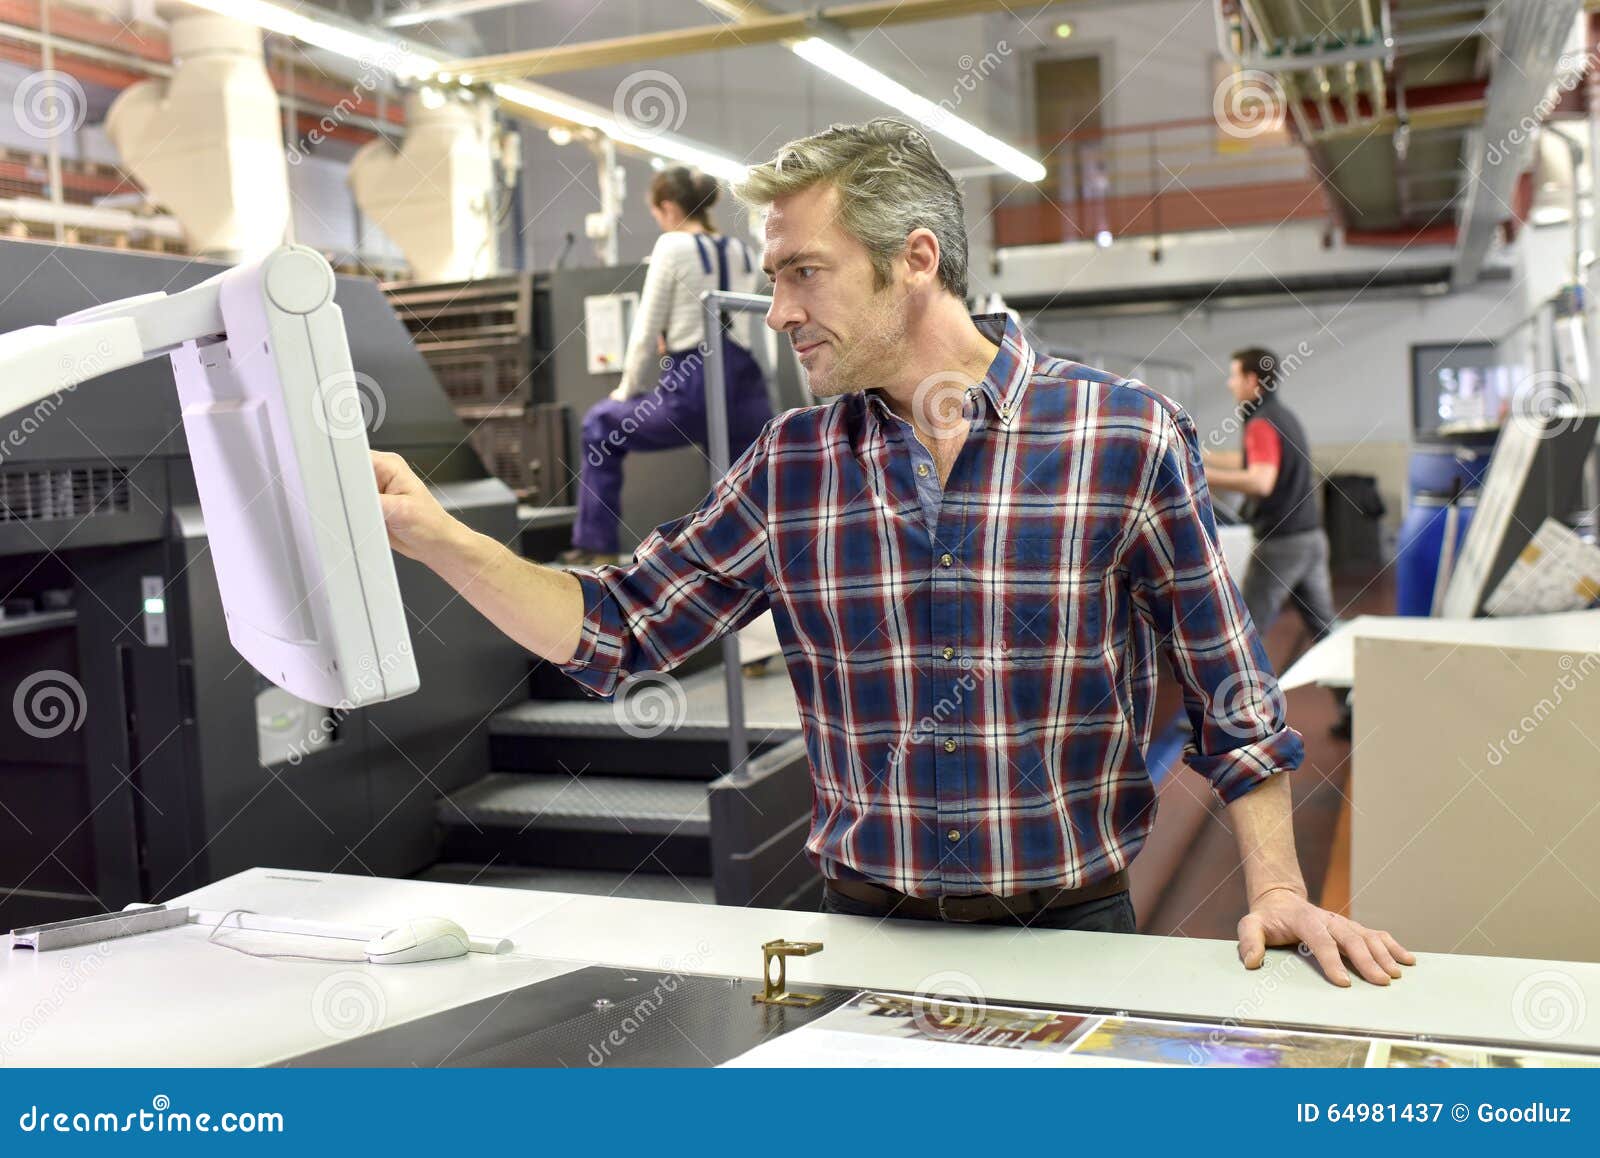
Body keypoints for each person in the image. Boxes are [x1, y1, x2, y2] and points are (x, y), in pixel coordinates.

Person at [373, 120, 1411, 987]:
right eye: (773, 276)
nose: (778, 312)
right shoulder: (791, 466)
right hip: (862, 939)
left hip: (1073, 934)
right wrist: (440, 539)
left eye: (803, 273)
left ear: (915, 260)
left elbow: (1233, 695)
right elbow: (615, 630)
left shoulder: (1122, 437)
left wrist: (1277, 889)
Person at [562, 167, 773, 566]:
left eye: (657, 212)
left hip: (693, 381)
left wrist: (626, 390)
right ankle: (759, 556)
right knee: (741, 471)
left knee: (600, 423)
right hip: (747, 385)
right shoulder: (742, 250)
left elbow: (646, 330)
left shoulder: (672, 246)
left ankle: (597, 543)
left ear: (670, 208)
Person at [1201, 349, 1350, 738]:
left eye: (1234, 376)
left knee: (1244, 631)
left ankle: (1232, 718)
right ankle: (1353, 707)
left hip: (1283, 544)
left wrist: (1203, 477)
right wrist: (1204, 457)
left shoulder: (1262, 423)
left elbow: (1261, 481)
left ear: (1252, 380)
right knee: (1324, 628)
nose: (1230, 383)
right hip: (1311, 537)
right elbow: (1255, 462)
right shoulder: (1280, 417)